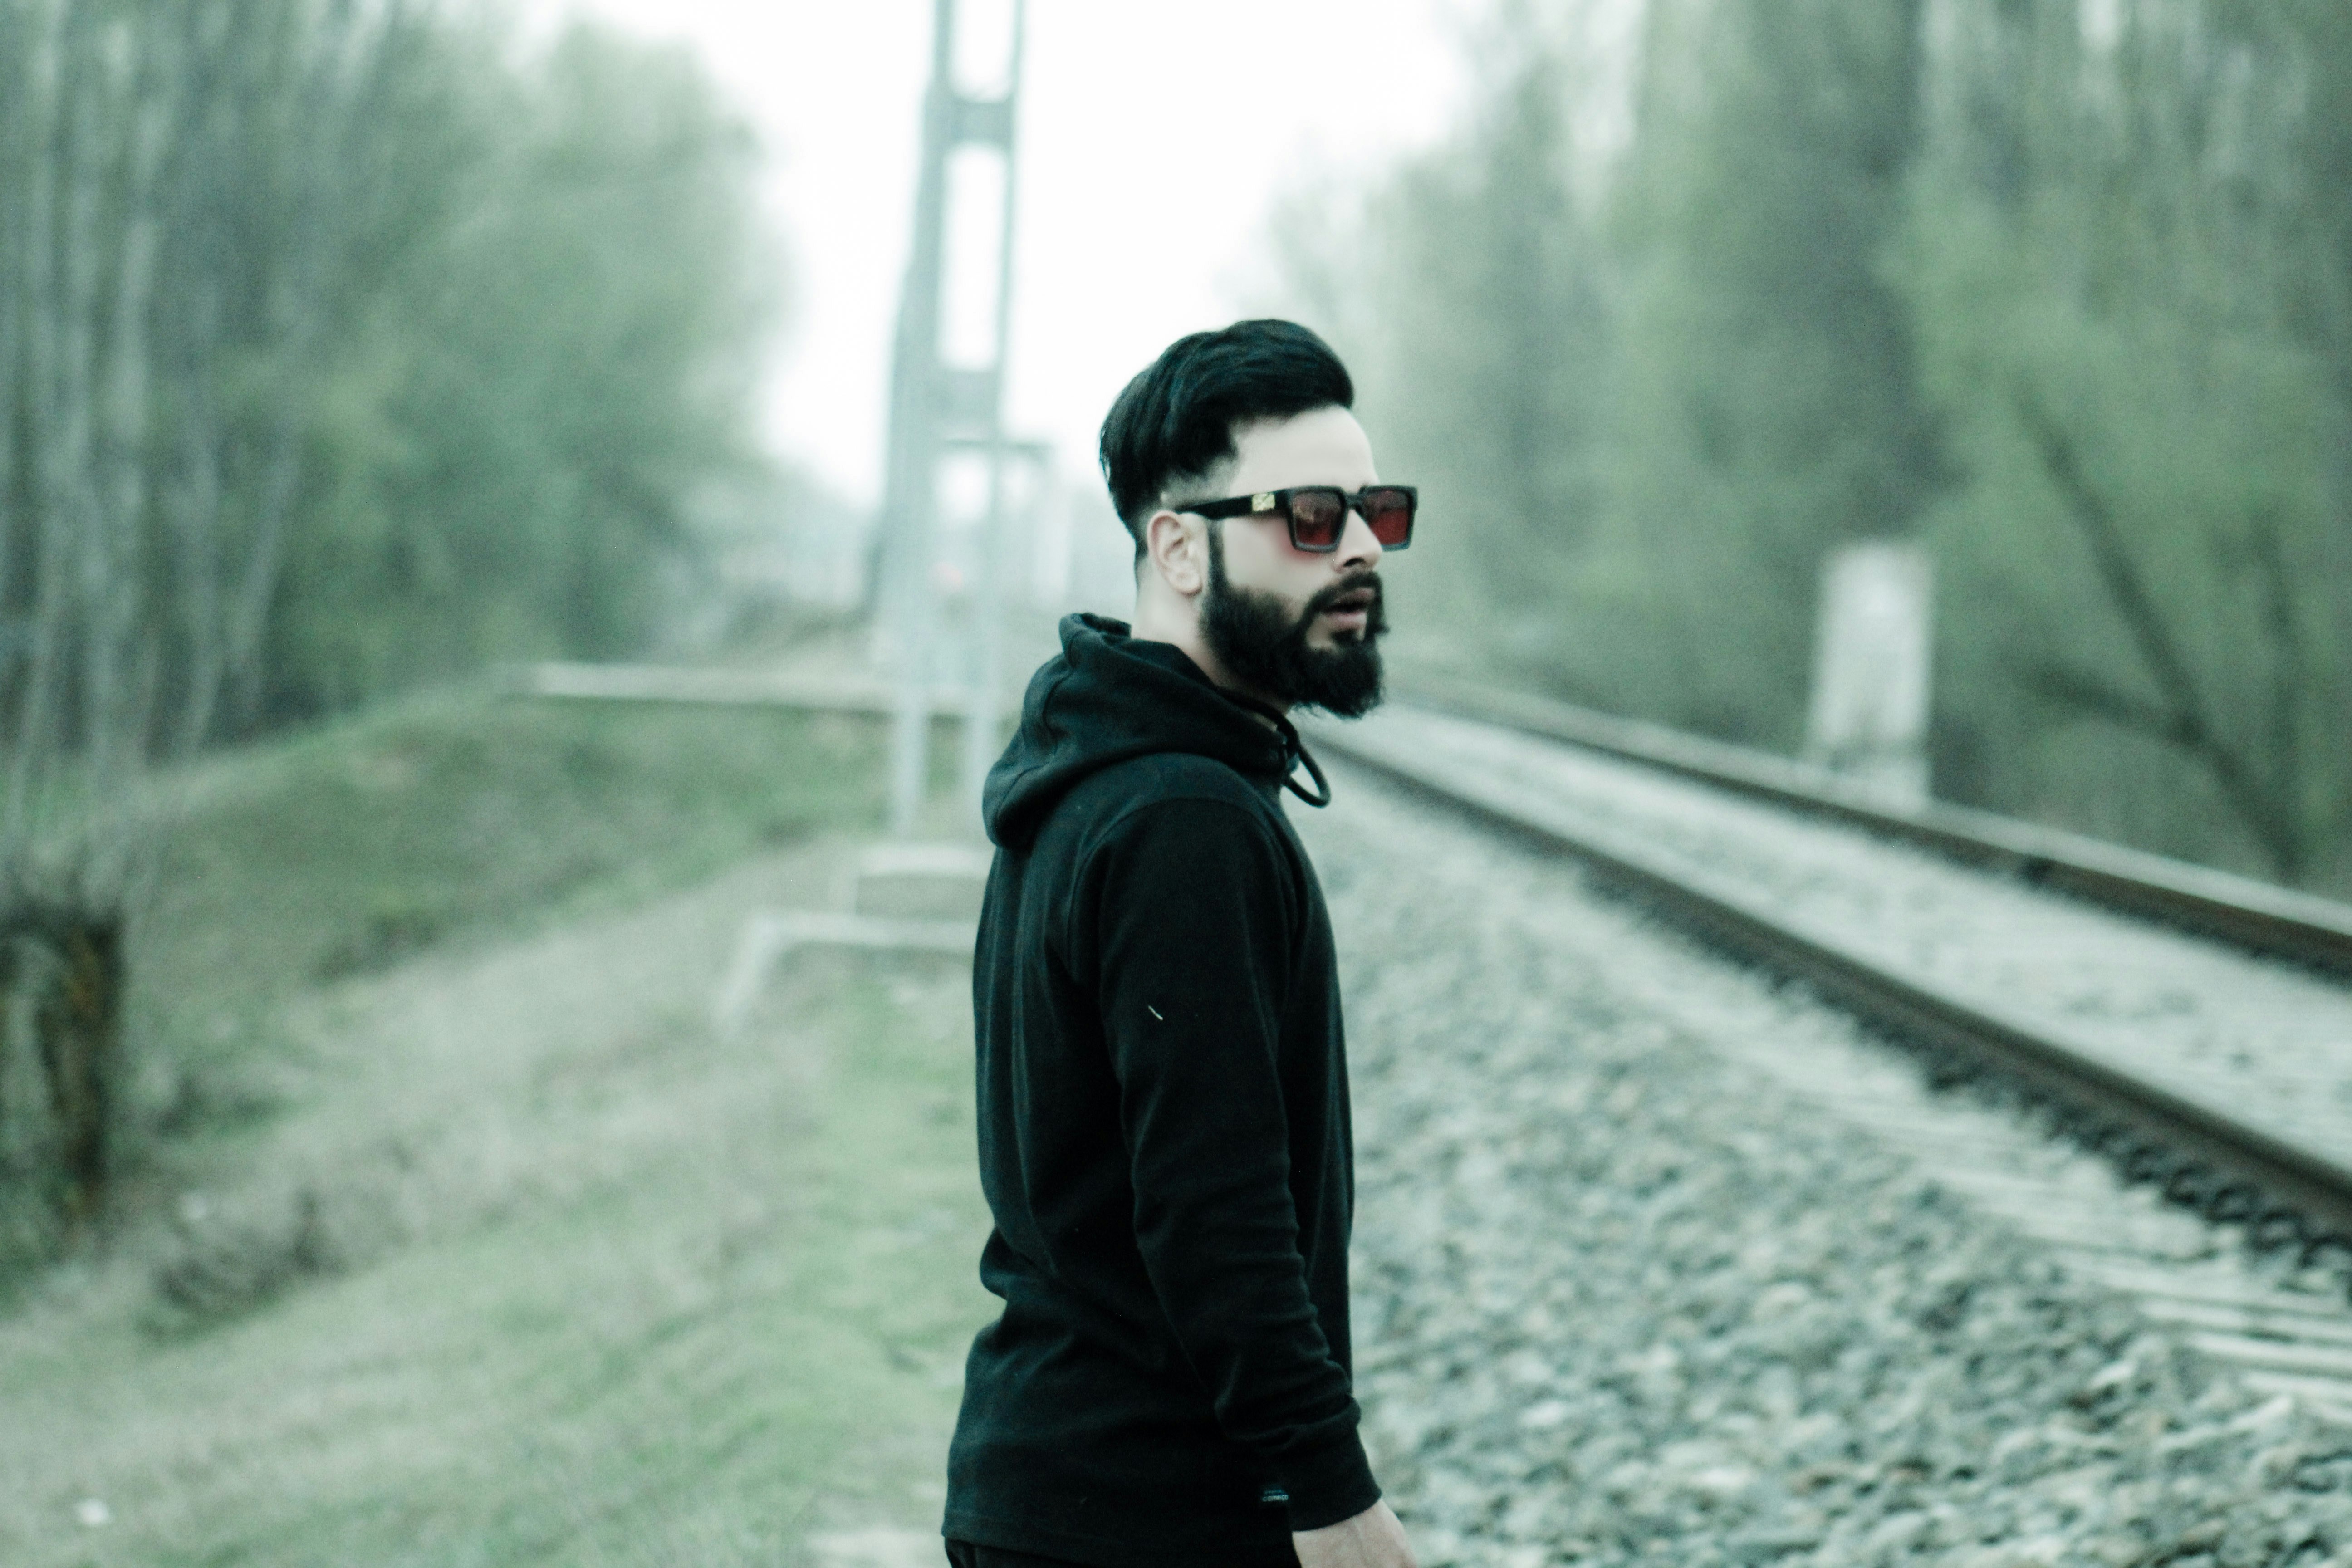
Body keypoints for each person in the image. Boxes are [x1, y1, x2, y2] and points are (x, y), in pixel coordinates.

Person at [943, 319, 1418, 1568]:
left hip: (1063, 1489)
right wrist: (1334, 1498)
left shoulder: (1095, 780)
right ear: (1179, 547)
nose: (1362, 546)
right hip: (1152, 1520)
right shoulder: (1182, 821)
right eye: (1311, 516)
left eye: (1375, 511)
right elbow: (1214, 1209)